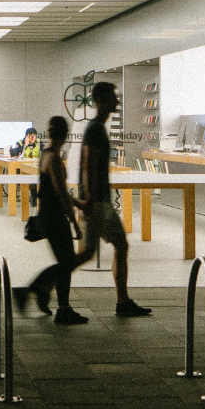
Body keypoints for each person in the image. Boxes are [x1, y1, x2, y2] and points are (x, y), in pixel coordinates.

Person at [76, 82, 151, 317]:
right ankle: (43, 285)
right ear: (100, 100)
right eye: (112, 97)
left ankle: (123, 301)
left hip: (100, 201)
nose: (116, 101)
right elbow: (87, 165)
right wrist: (89, 200)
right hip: (98, 202)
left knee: (118, 245)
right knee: (89, 253)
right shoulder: (95, 129)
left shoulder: (97, 128)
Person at [15, 116, 90, 324]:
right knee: (66, 263)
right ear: (65, 135)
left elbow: (58, 191)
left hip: (48, 215)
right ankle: (39, 294)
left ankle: (42, 294)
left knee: (64, 263)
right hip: (54, 217)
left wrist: (78, 204)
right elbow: (61, 193)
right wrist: (75, 222)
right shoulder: (54, 159)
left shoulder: (46, 155)